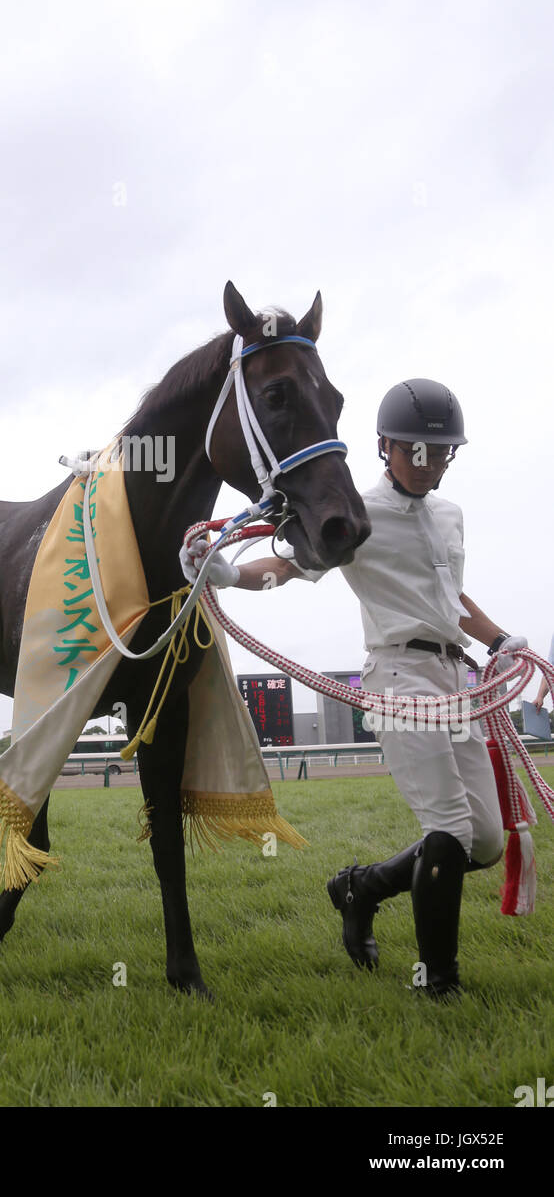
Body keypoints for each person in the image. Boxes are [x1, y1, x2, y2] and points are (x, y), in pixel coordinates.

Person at [181, 378, 527, 998]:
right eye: (416, 450)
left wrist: (500, 639)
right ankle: (439, 986)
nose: (428, 463)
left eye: (441, 452)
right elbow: (286, 566)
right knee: (448, 828)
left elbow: (449, 597)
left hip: (457, 677)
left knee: (486, 842)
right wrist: (230, 574)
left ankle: (359, 889)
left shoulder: (451, 515)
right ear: (384, 446)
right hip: (398, 675)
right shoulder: (354, 516)